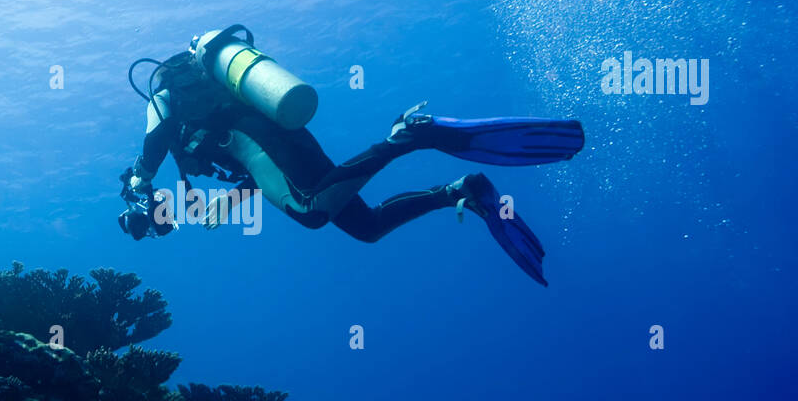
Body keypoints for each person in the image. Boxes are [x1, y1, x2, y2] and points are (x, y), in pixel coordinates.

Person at [118, 26, 584, 286]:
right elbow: (257, 171)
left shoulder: (163, 100)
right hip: (287, 138)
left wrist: (139, 179)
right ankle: (461, 192)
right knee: (366, 227)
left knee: (312, 212)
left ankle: (407, 136)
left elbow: (156, 144)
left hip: (264, 140)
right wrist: (232, 201)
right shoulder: (200, 110)